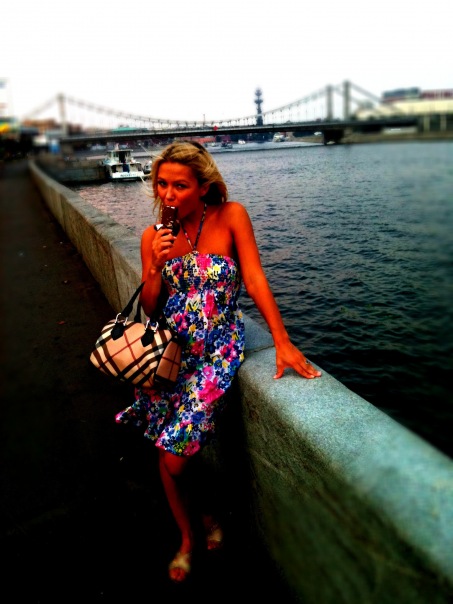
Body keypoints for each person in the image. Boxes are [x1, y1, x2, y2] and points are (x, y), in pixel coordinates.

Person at [115, 141, 321, 583]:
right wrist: (154, 267)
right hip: (168, 354)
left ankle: (201, 518)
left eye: (180, 185)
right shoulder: (154, 236)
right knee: (167, 450)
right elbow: (150, 308)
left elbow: (254, 278)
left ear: (203, 186)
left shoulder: (231, 216)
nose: (168, 194)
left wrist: (282, 340)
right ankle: (190, 535)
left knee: (174, 457)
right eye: (162, 184)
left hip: (217, 352)